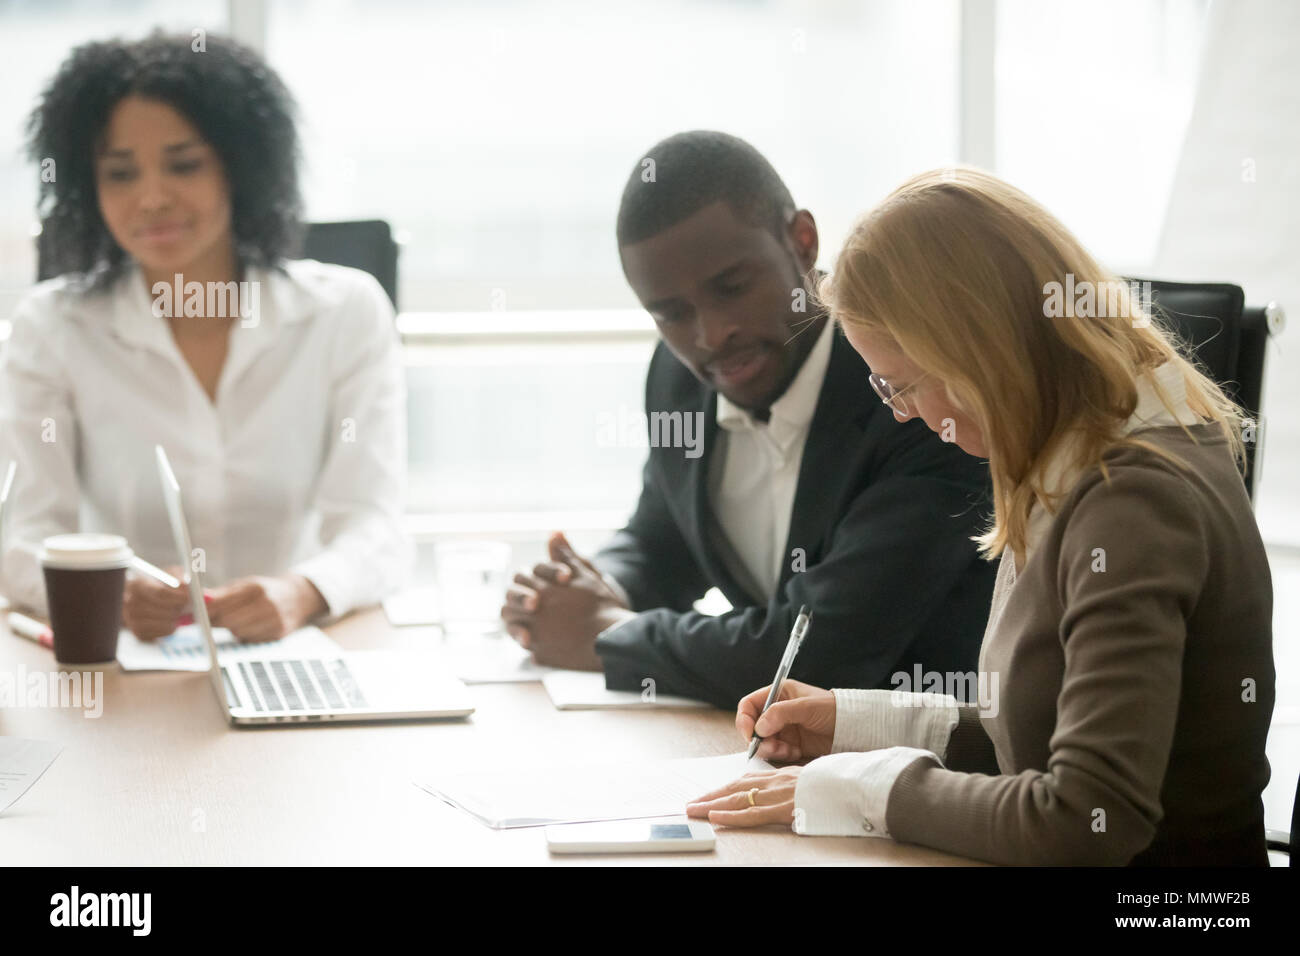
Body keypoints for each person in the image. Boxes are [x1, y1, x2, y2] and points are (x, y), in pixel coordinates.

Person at [685, 167, 1276, 866]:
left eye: (902, 386)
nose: (910, 416)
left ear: (976, 350)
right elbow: (1038, 733)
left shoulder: (1130, 501)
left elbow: (1085, 816)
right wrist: (854, 724)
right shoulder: (1080, 450)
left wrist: (858, 790)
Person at [501, 131, 997, 708]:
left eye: (731, 288)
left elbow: (820, 650)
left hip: (935, 762)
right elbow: (664, 539)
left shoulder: (914, 391)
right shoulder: (680, 377)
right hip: (765, 754)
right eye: (671, 313)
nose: (710, 335)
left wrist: (608, 635)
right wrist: (587, 589)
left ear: (803, 242)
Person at [1, 32, 411, 641]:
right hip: (130, 673)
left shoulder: (345, 312)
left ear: (239, 168)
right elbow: (22, 541)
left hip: (298, 652)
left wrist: (301, 591)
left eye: (184, 164)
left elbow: (378, 528)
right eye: (119, 173)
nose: (151, 198)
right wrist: (111, 593)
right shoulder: (49, 329)